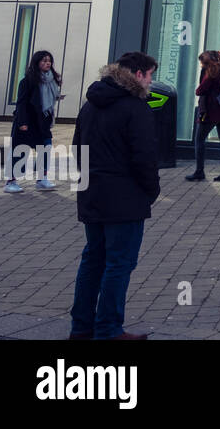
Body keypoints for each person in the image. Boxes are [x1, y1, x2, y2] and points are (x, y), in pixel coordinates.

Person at [69, 52, 160, 340]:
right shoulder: (136, 108)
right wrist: (151, 190)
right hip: (125, 199)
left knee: (92, 259)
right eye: (149, 75)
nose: (151, 81)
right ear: (137, 74)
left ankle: (81, 327)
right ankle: (108, 329)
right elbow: (145, 158)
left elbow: (76, 150)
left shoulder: (90, 105)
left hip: (92, 193)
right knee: (119, 264)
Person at [6, 50, 64, 192]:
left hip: (42, 122)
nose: (47, 63)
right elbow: (22, 103)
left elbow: (47, 100)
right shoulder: (27, 81)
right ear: (37, 63)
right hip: (27, 121)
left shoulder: (52, 81)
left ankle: (42, 179)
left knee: (45, 148)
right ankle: (11, 182)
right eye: (44, 60)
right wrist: (22, 123)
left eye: (49, 60)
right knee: (20, 150)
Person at [186, 49, 220, 182]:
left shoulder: (212, 72)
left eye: (202, 62)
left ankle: (199, 171)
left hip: (210, 112)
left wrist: (201, 86)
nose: (201, 65)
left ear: (207, 61)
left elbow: (200, 90)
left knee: (199, 140)